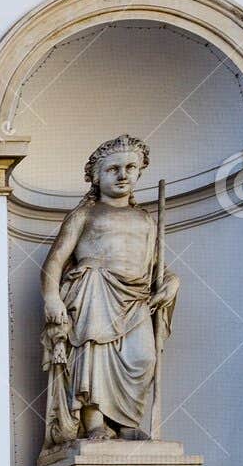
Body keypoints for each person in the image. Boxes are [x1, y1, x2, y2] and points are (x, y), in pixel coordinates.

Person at [39, 134, 178, 449]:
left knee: (142, 358)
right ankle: (94, 422)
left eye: (130, 167)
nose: (123, 174)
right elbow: (55, 261)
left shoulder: (145, 219)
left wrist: (172, 282)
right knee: (93, 356)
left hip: (136, 297)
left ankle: (126, 421)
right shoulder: (84, 214)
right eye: (113, 169)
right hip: (94, 289)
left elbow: (156, 266)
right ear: (95, 177)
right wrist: (52, 297)